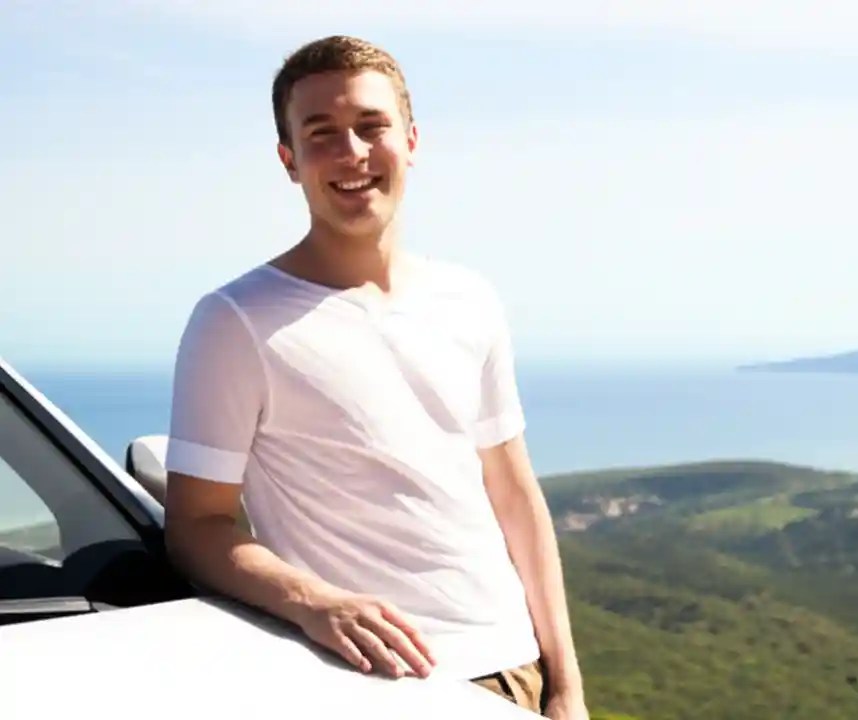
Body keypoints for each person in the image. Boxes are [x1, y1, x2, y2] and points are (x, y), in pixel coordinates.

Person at [161, 35, 588, 719]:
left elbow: (512, 493)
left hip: (517, 674)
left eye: (370, 126)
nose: (352, 153)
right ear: (289, 161)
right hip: (374, 689)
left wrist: (564, 682)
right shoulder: (234, 322)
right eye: (321, 133)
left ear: (411, 141)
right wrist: (315, 602)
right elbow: (196, 525)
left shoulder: (469, 298)